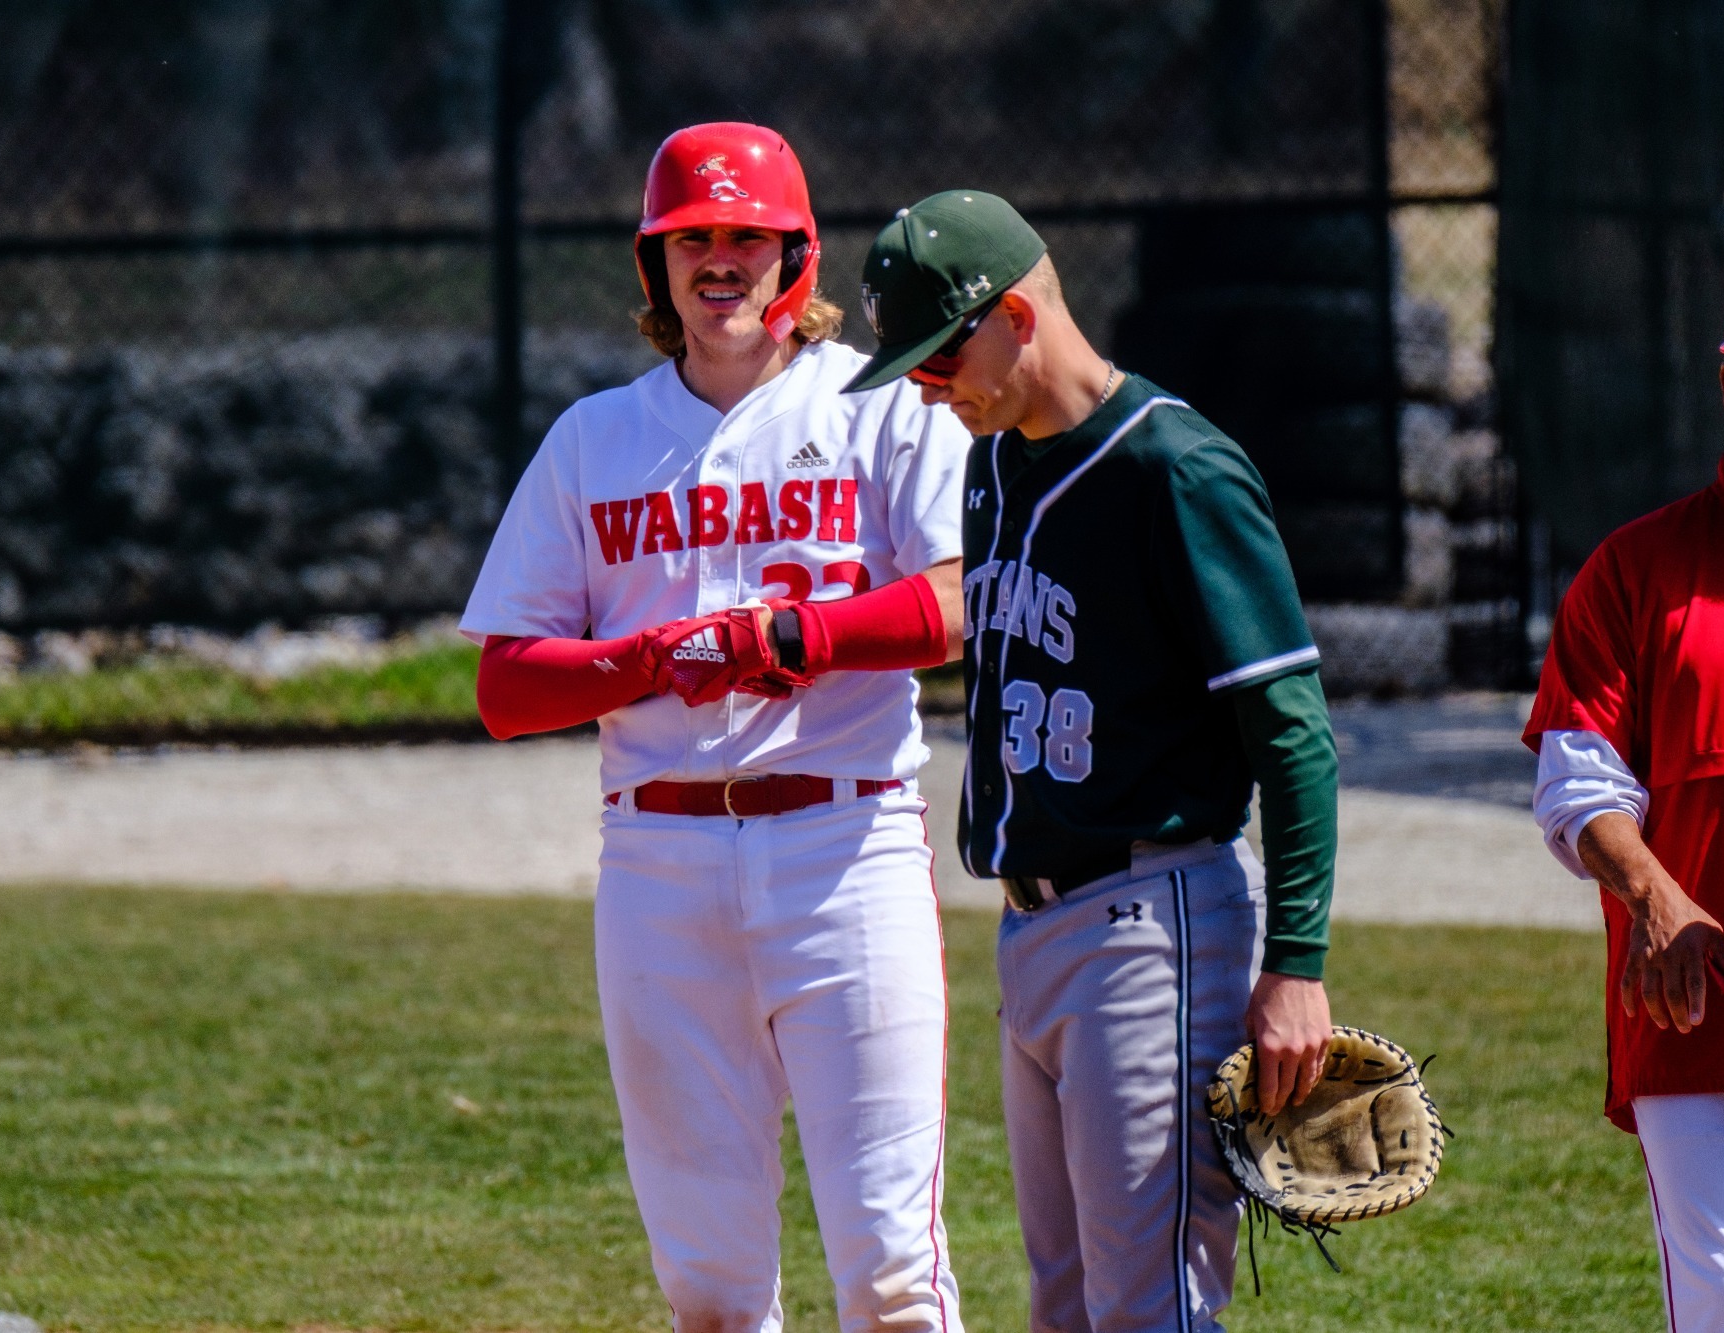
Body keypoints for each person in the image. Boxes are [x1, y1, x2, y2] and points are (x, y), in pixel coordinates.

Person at [458, 123, 970, 1333]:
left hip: (843, 850)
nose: (720, 259)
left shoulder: (879, 411)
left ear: (797, 254)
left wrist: (789, 639)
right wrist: (645, 661)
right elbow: (506, 685)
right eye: (694, 238)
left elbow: (959, 601)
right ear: (656, 265)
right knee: (707, 1291)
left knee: (892, 1272)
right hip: (658, 863)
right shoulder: (596, 437)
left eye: (748, 236)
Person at [844, 191, 1338, 1332]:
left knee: (1148, 1308)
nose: (926, 389)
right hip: (1032, 934)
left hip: (1149, 924)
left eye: (938, 358)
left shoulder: (1174, 467)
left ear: (1014, 314)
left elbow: (1293, 730)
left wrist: (1295, 962)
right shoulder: (994, 465)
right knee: (1064, 1308)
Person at [1524, 320, 1724, 1331]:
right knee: (1719, 1291)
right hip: (1689, 1006)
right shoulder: (1633, 570)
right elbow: (1576, 784)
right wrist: (1652, 890)